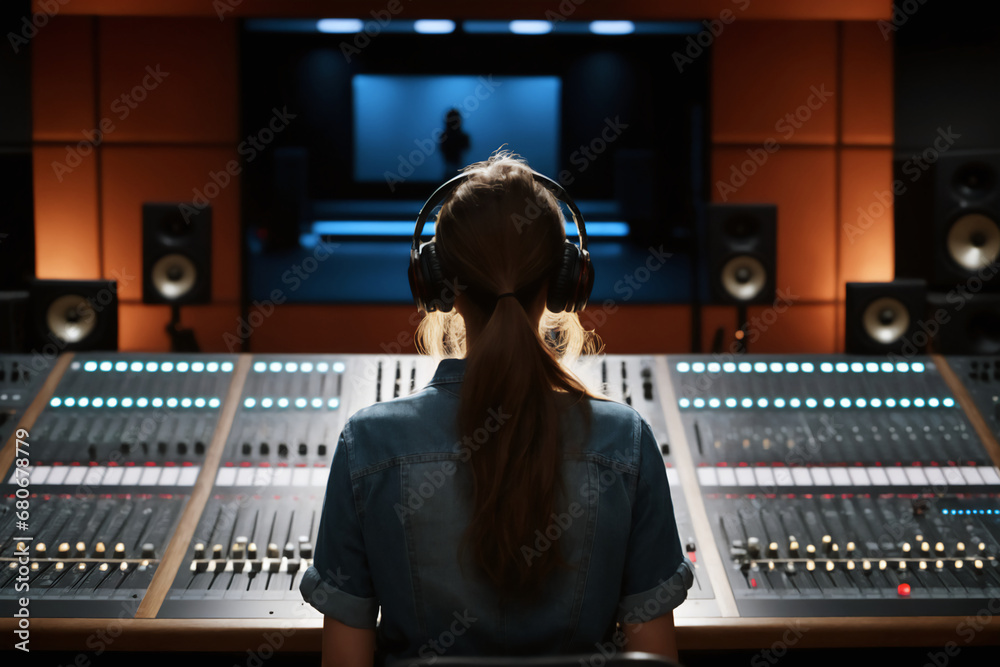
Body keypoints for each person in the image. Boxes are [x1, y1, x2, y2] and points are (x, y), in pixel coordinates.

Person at [300, 153, 692, 667]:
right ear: (565, 281)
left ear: (438, 285)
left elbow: (344, 664)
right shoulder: (626, 442)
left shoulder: (369, 445)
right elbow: (655, 659)